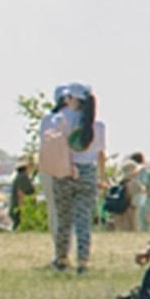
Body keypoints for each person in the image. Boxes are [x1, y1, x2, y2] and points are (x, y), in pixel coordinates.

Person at [38, 83, 103, 274]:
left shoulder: (59, 120)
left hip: (64, 171)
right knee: (83, 218)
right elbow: (99, 153)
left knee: (64, 218)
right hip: (87, 172)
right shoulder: (97, 125)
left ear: (71, 99)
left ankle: (61, 258)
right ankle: (83, 260)